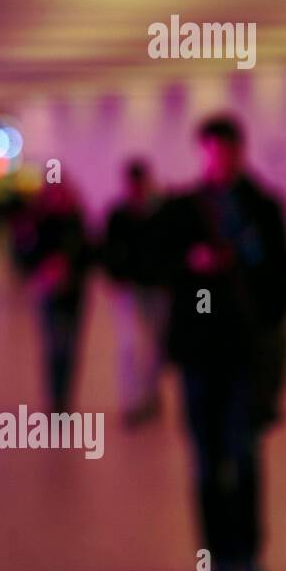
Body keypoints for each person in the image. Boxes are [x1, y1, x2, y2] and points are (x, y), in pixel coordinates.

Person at [155, 115, 286, 571]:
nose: (220, 160)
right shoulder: (184, 209)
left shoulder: (264, 208)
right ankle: (217, 557)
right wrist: (192, 265)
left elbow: (282, 281)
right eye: (213, 151)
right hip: (199, 352)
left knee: (245, 453)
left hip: (245, 352)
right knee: (207, 457)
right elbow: (157, 264)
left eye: (226, 150)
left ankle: (249, 554)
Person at [15, 179, 91, 412]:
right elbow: (24, 258)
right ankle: (55, 398)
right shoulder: (39, 223)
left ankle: (64, 397)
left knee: (68, 345)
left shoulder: (76, 223)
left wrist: (68, 269)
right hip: (48, 291)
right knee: (53, 346)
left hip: (73, 293)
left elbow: (89, 255)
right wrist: (45, 269)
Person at [103, 160, 168, 426]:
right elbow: (107, 250)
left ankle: (150, 394)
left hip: (156, 287)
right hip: (128, 288)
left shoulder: (160, 214)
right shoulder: (118, 214)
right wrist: (116, 278)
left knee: (155, 346)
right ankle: (131, 400)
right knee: (128, 346)